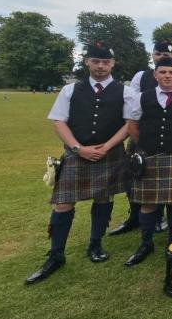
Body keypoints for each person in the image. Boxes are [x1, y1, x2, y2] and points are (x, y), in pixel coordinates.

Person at [26, 42, 132, 284]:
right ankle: (56, 255)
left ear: (112, 64)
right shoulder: (70, 90)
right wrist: (78, 148)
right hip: (77, 153)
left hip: (109, 153)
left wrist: (107, 147)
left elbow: (129, 124)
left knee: (104, 199)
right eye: (96, 61)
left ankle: (95, 244)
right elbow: (59, 122)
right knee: (63, 203)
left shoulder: (125, 92)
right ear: (87, 62)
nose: (101, 66)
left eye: (105, 62)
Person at [124, 57, 172, 266]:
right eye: (163, 72)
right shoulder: (142, 97)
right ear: (155, 75)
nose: (167, 76)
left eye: (171, 72)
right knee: (148, 202)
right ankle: (146, 243)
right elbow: (132, 125)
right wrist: (145, 145)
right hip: (149, 155)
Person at [111, 39, 172, 236]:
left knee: (168, 186)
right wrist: (141, 140)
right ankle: (134, 217)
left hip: (170, 139)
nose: (162, 57)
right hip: (142, 136)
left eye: (166, 55)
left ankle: (160, 219)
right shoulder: (140, 76)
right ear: (153, 55)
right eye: (158, 54)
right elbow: (133, 105)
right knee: (135, 179)